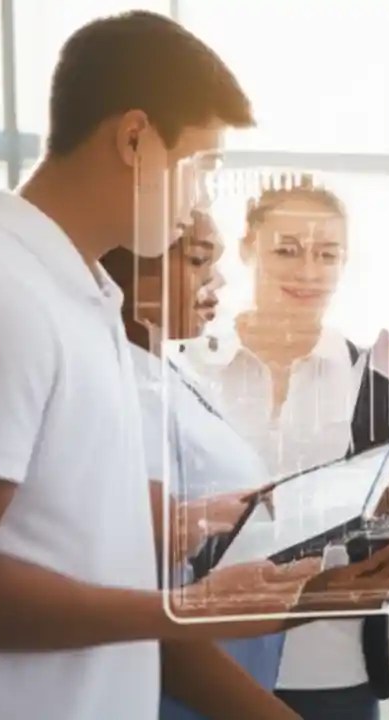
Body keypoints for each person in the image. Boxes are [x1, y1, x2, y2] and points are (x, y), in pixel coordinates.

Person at [0, 12, 311, 720]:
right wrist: (185, 611)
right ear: (135, 139)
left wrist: (191, 522)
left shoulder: (84, 301)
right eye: (201, 169)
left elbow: (57, 519)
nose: (198, 205)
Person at [182, 178, 389, 720]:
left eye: (328, 254)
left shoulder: (370, 375)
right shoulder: (189, 367)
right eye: (287, 250)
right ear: (248, 247)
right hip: (203, 659)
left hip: (334, 663)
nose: (308, 271)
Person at [101, 212, 299, 719]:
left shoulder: (161, 371)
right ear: (119, 266)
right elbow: (150, 608)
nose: (217, 281)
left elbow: (181, 524)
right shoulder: (120, 387)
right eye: (196, 260)